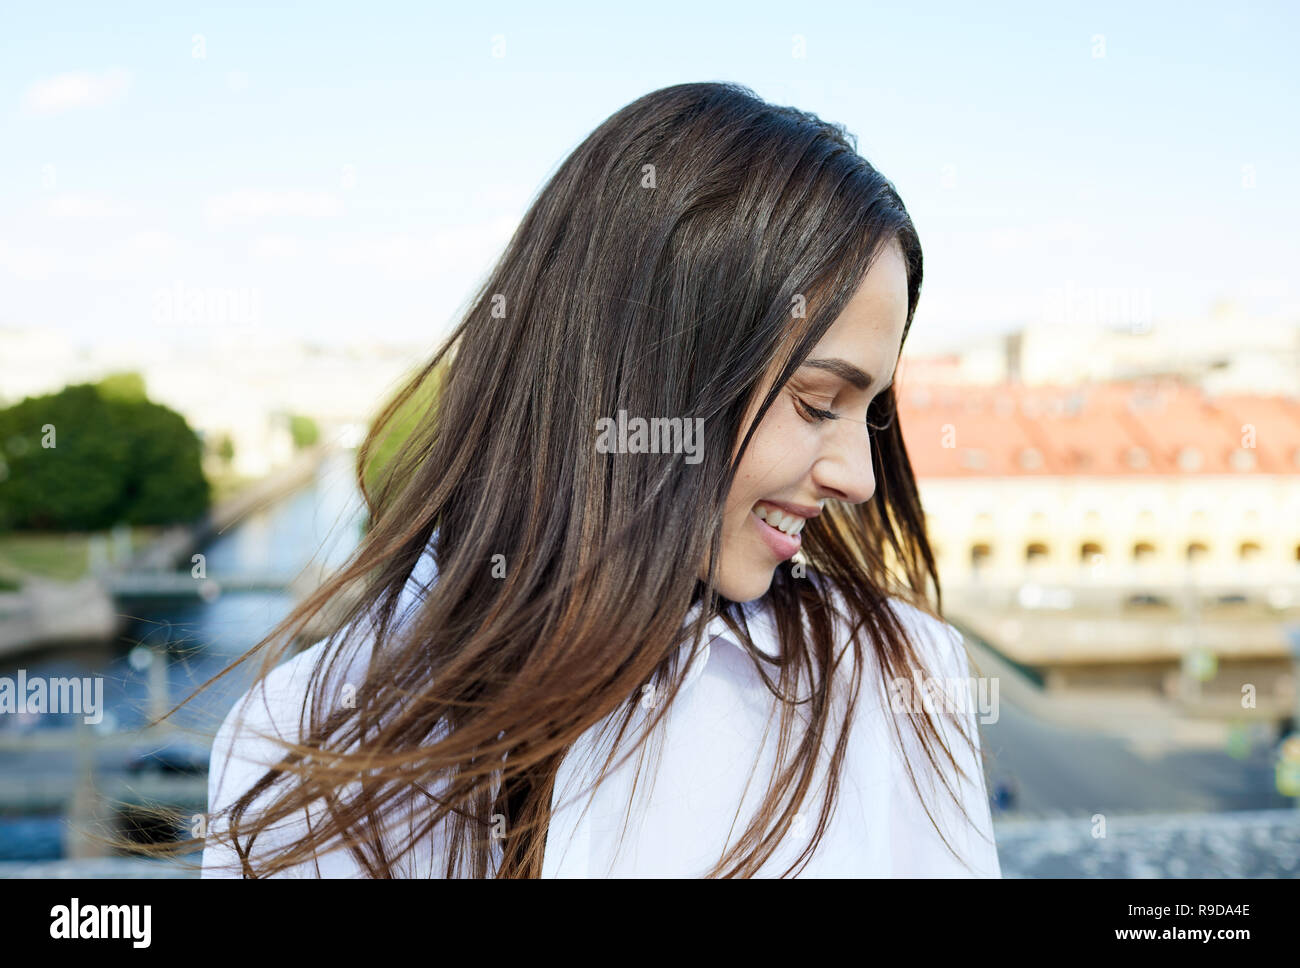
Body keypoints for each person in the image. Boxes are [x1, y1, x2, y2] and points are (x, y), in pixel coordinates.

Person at [200, 81, 1001, 878]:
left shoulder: (898, 676)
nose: (860, 478)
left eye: (870, 411)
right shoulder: (305, 736)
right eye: (818, 401)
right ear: (653, 377)